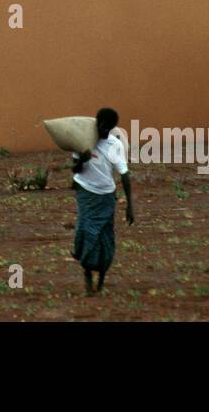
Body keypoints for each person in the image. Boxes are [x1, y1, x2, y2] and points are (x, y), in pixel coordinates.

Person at [70, 107, 134, 295]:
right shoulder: (82, 141)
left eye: (108, 126)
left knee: (105, 237)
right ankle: (88, 274)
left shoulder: (115, 145)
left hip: (106, 195)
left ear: (113, 127)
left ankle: (102, 278)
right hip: (85, 192)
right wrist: (81, 160)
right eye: (101, 124)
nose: (104, 129)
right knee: (86, 231)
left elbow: (124, 174)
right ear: (96, 122)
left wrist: (130, 206)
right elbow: (75, 170)